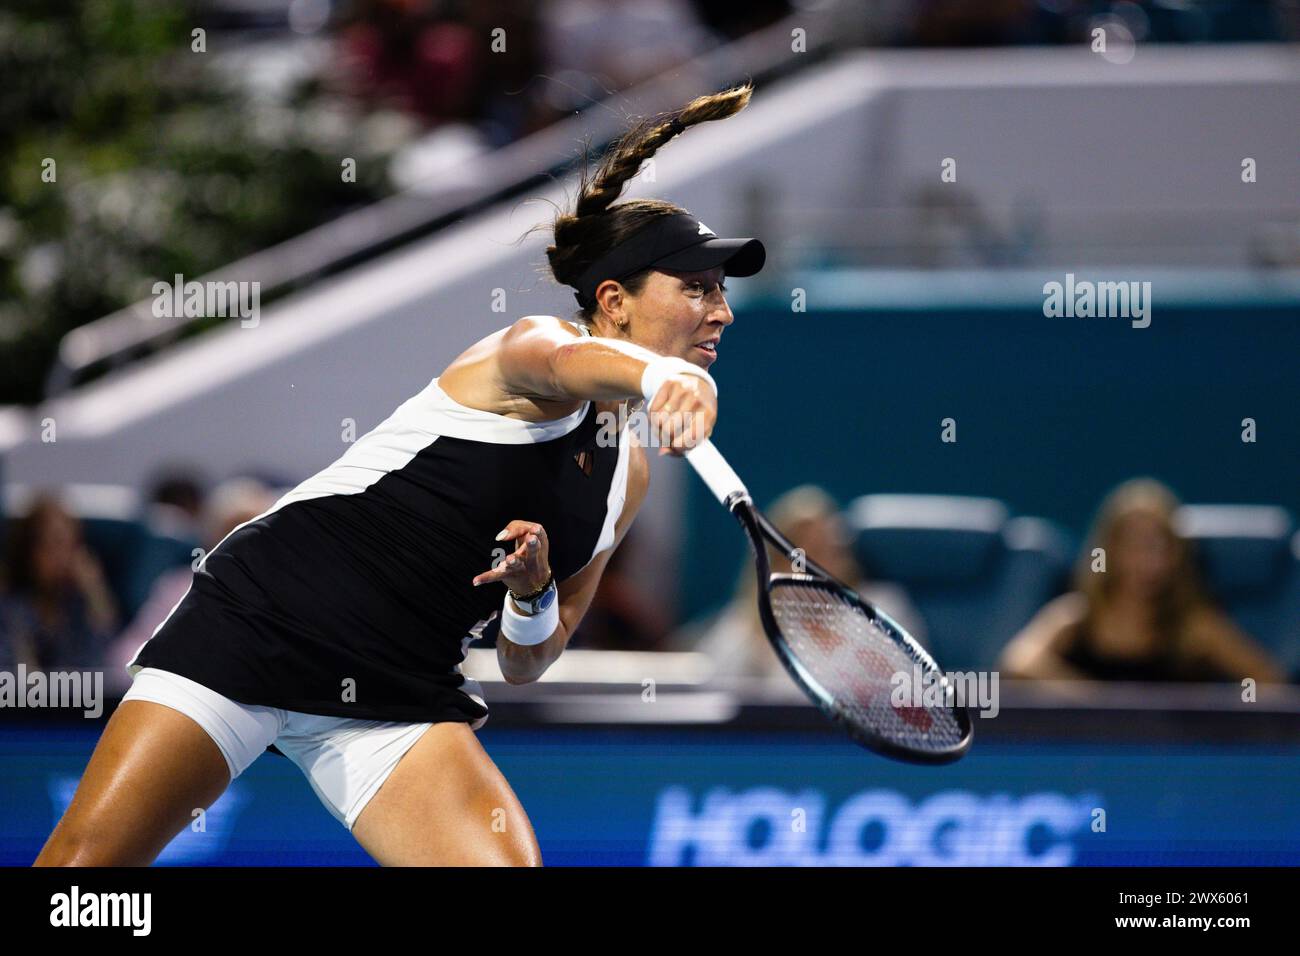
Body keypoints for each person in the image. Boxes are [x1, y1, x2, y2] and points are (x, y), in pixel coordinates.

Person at [36, 83, 764, 866]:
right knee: (84, 879)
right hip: (266, 621)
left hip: (396, 689)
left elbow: (529, 661)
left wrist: (532, 594)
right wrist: (668, 382)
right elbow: (572, 362)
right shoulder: (524, 351)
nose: (719, 311)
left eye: (721, 292)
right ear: (613, 301)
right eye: (696, 288)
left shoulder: (631, 480)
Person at [998, 478, 1285, 684]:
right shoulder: (1075, 618)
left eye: (1160, 547)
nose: (1147, 560)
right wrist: (1093, 701)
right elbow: (1017, 662)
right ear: (1109, 549)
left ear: (1177, 555)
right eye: (1133, 545)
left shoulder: (1196, 628)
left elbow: (1268, 680)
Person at [677, 484, 927, 683]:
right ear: (775, 564)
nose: (818, 567)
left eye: (831, 551)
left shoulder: (885, 611)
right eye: (807, 554)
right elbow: (711, 699)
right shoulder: (746, 628)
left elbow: (915, 698)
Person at [0, 492, 119, 671]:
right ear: (28, 550)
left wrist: (94, 591)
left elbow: (103, 665)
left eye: (70, 545)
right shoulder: (12, 606)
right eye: (53, 545)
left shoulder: (78, 605)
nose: (63, 557)